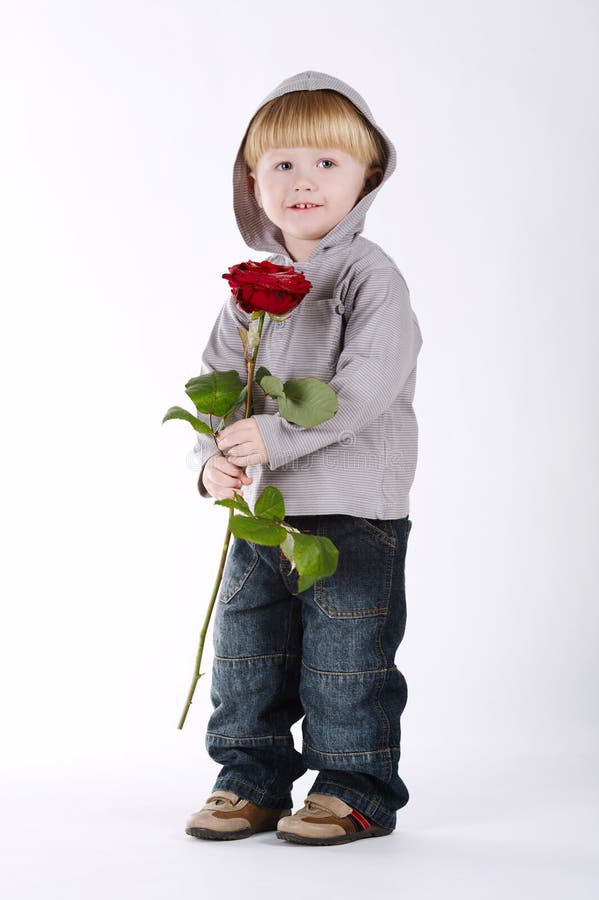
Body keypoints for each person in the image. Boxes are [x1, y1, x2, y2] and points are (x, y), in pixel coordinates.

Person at [184, 70, 423, 846]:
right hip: (262, 511)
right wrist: (210, 458)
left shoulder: (368, 274)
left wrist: (278, 439)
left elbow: (367, 388)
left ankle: (355, 787)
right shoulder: (249, 289)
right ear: (252, 182)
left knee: (345, 654)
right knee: (247, 649)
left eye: (327, 163)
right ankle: (248, 778)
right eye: (281, 165)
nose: (302, 182)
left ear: (366, 177)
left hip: (354, 511)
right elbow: (219, 388)